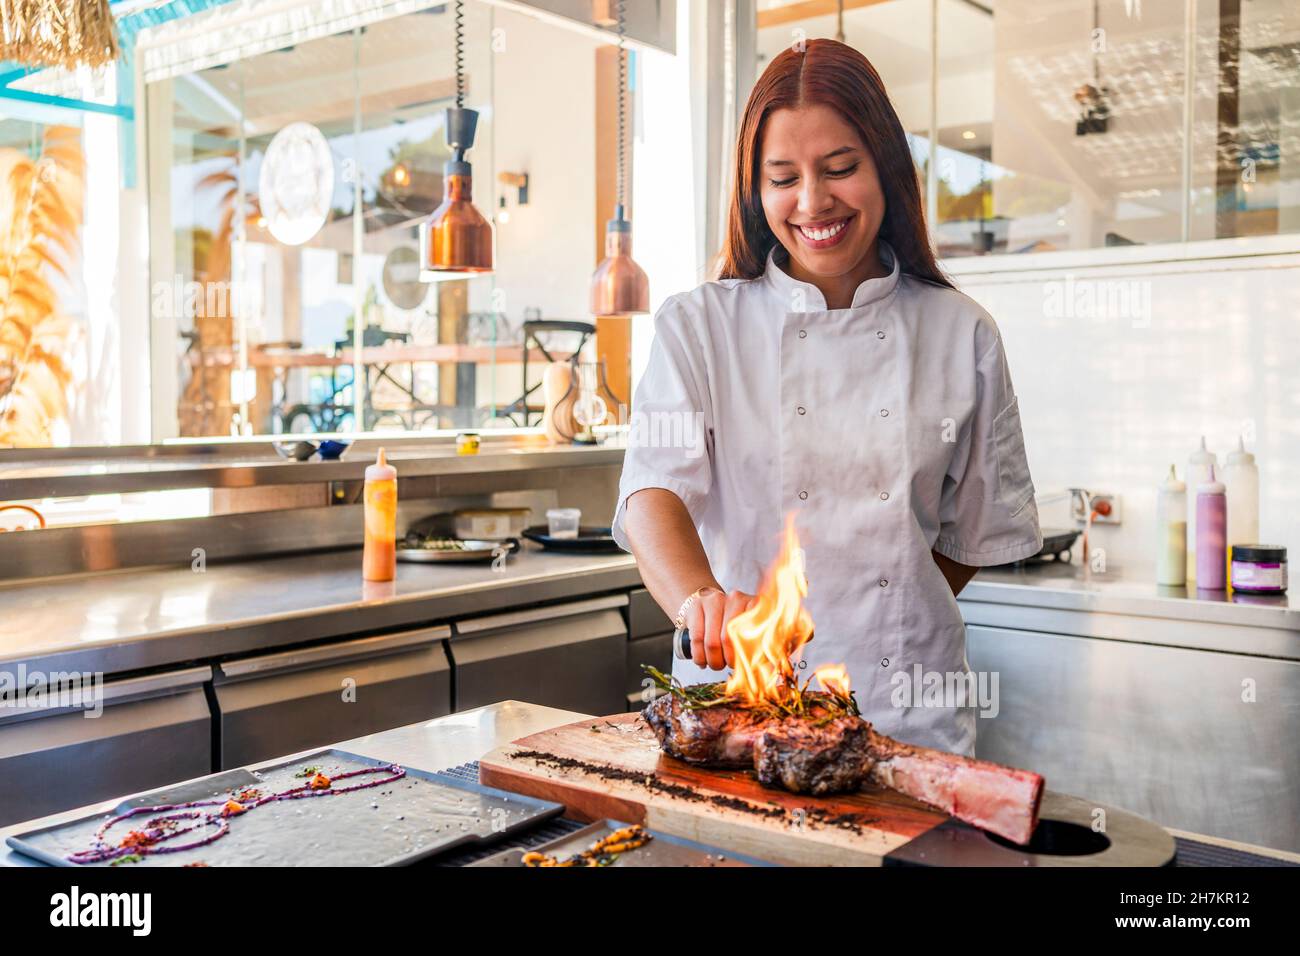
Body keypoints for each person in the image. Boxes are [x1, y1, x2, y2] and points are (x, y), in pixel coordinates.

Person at [612, 39, 1041, 756]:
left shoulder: (962, 334)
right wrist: (702, 600)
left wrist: (892, 604)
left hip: (908, 715)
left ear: (887, 169)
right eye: (783, 177)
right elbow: (652, 493)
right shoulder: (700, 326)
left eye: (840, 169)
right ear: (755, 188)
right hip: (737, 710)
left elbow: (972, 536)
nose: (813, 202)